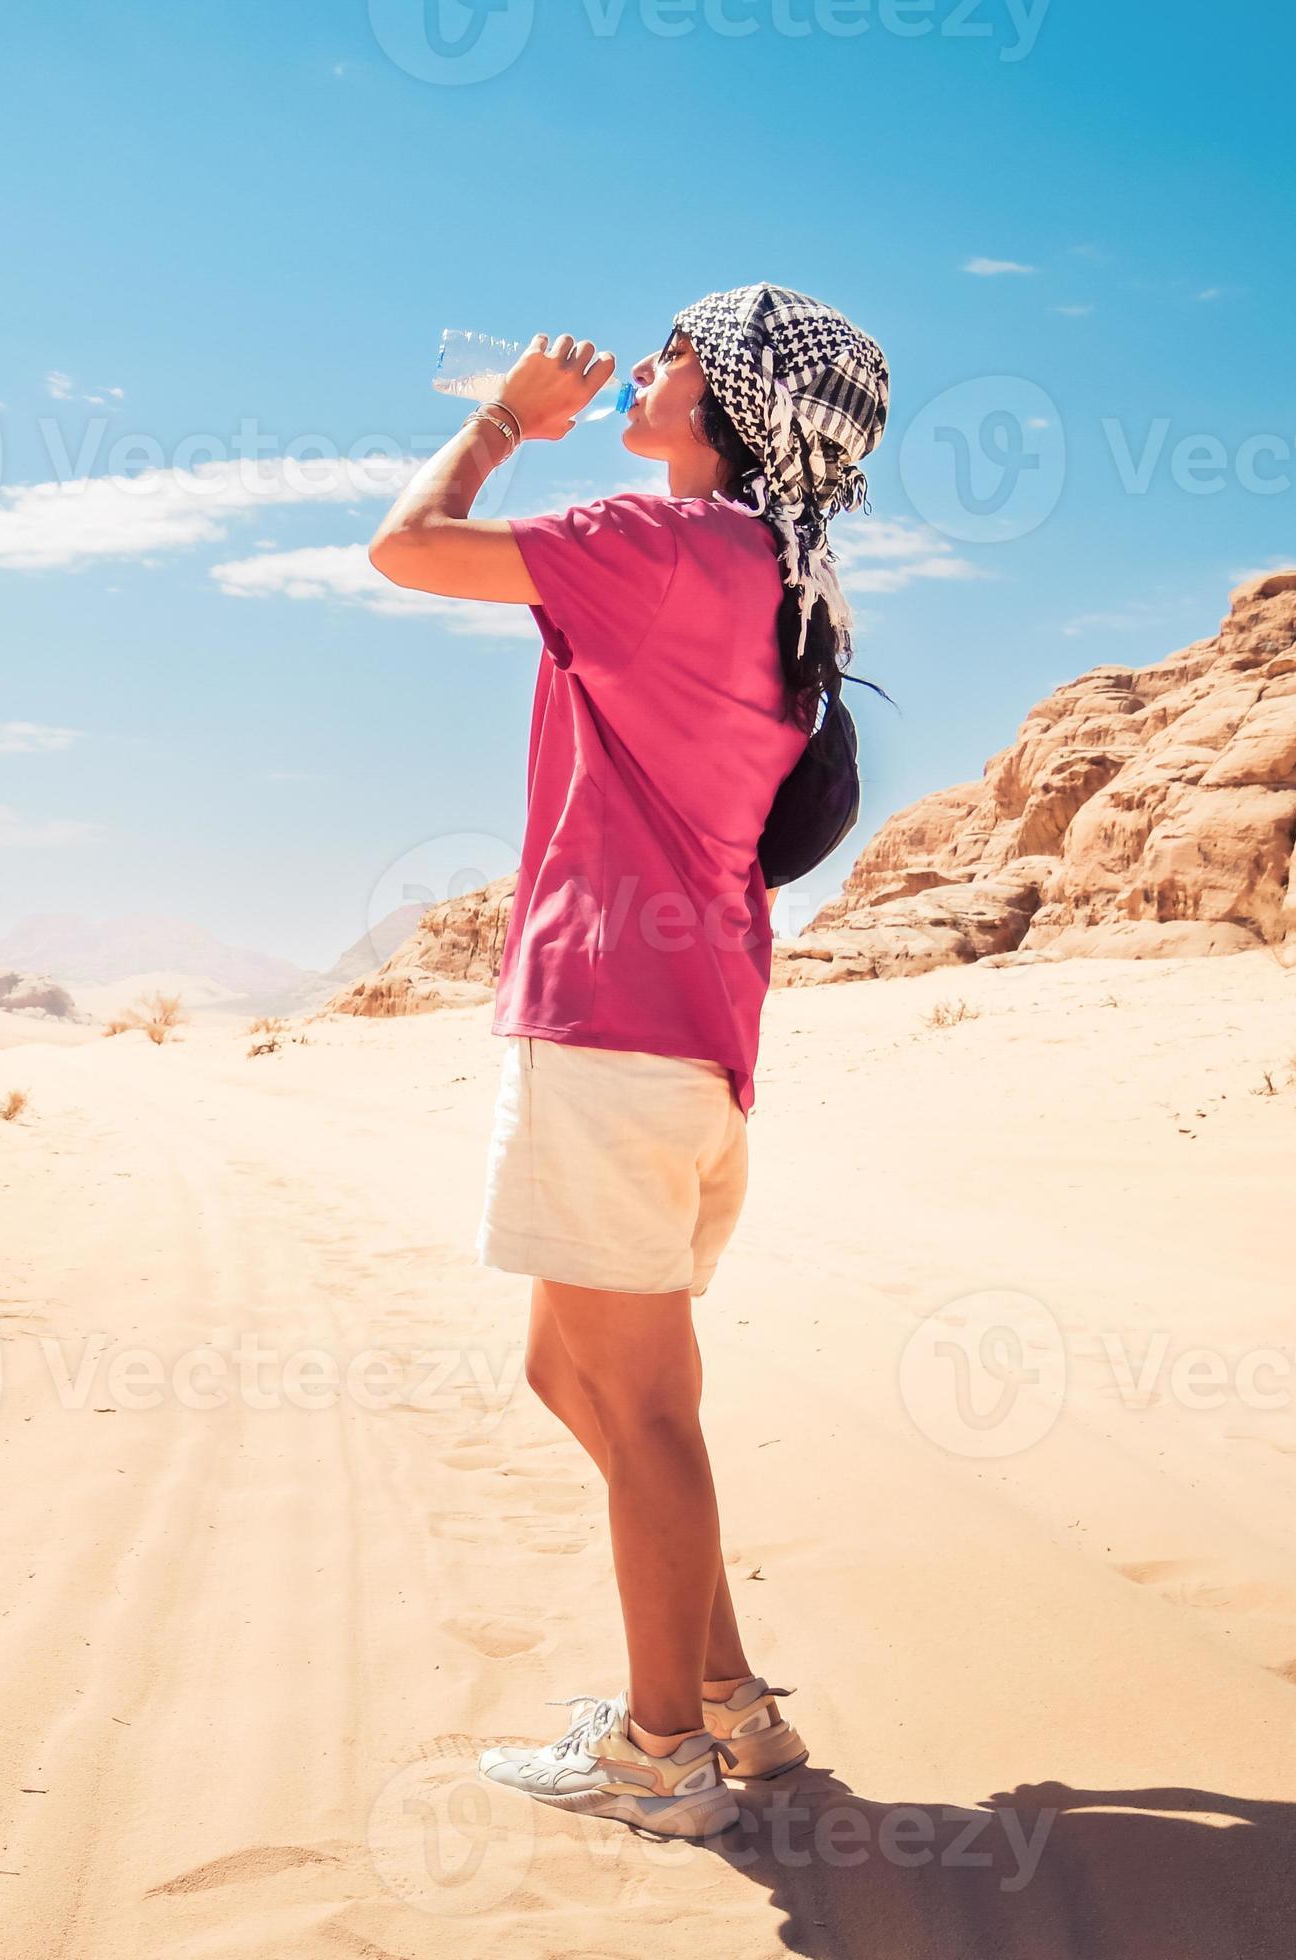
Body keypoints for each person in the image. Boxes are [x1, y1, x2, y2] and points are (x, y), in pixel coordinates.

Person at [367, 284, 891, 1840]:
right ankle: (725, 1695)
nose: (642, 365)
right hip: (696, 1039)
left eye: (673, 350)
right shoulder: (782, 581)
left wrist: (499, 425)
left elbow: (404, 547)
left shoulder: (661, 545)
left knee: (645, 1409)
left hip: (611, 1025)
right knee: (572, 1371)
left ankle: (664, 1754)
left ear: (724, 398)